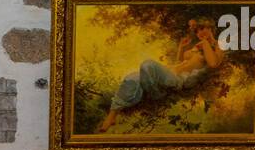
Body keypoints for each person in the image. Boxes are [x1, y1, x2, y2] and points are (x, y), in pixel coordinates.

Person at [96, 19, 224, 132]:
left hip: (178, 79)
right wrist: (181, 48)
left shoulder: (217, 45)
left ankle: (156, 94)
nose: (200, 33)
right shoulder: (196, 46)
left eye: (202, 28)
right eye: (197, 31)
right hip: (169, 72)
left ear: (210, 28)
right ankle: (111, 117)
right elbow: (181, 63)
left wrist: (206, 43)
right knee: (131, 78)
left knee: (147, 65)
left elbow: (213, 63)